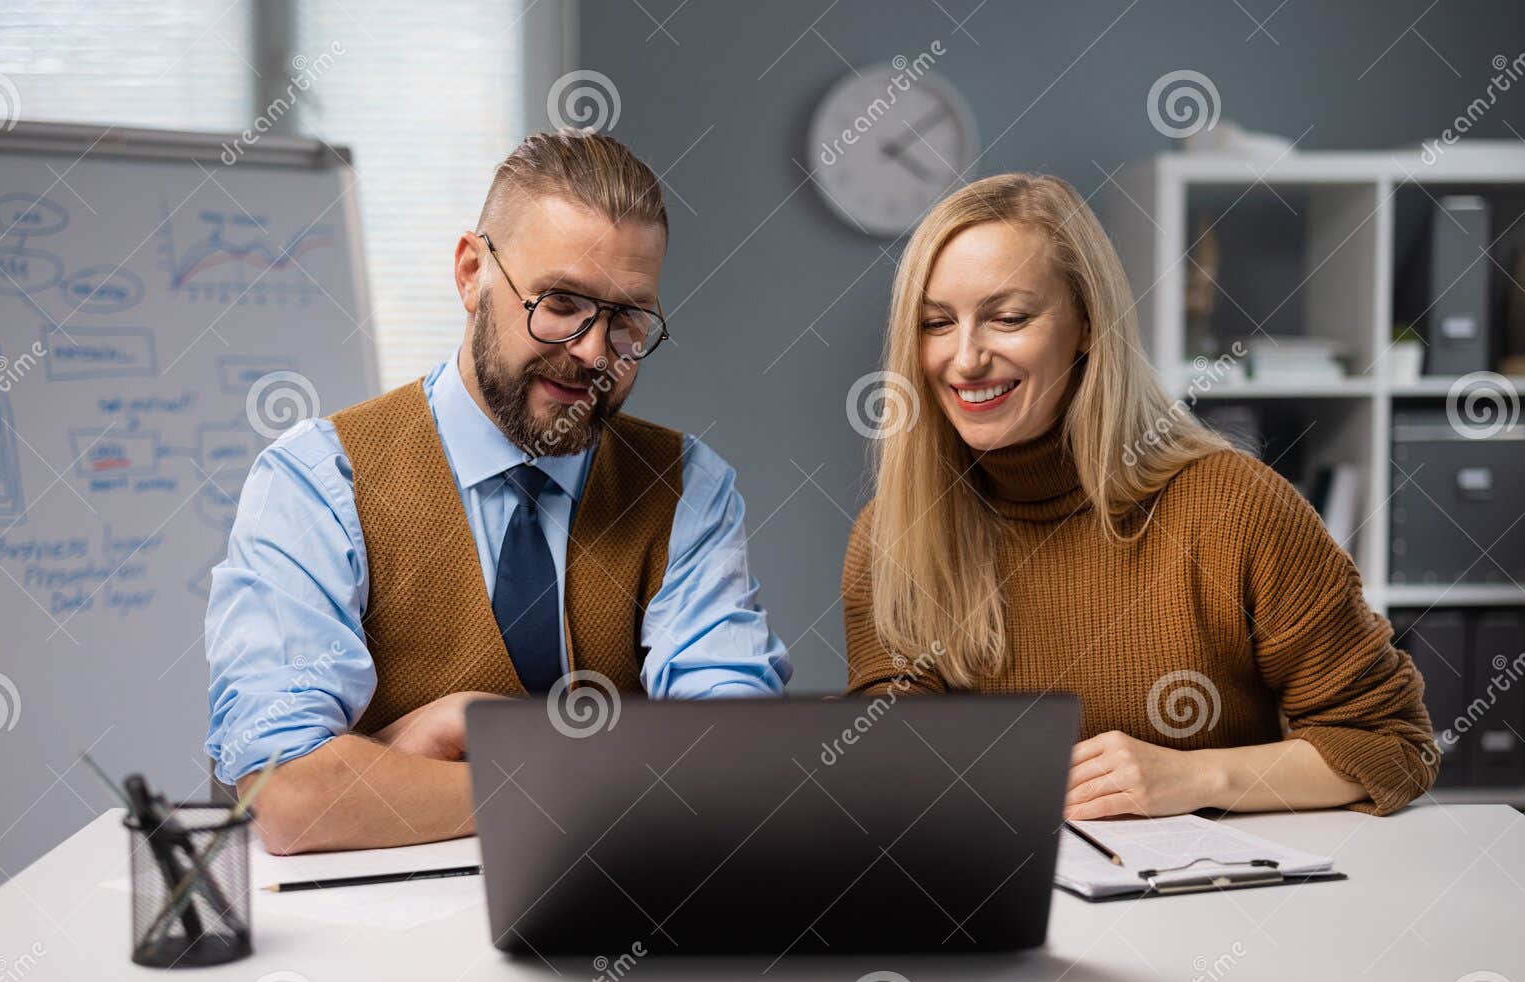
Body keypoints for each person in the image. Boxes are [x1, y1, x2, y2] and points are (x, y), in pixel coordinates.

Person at [206, 132, 790, 854]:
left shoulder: (688, 486)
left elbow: (734, 760)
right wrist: (593, 783)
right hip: (384, 918)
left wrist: (395, 764)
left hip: (616, 912)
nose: (593, 352)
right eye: (561, 302)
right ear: (471, 273)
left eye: (627, 319)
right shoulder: (318, 482)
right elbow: (288, 795)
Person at [842, 173, 1436, 819]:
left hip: (1216, 881)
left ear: (1087, 324)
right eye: (936, 323)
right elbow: (893, 758)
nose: (965, 359)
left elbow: (1393, 744)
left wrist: (1197, 777)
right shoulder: (895, 534)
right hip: (1000, 877)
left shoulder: (1235, 507)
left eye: (1008, 318)